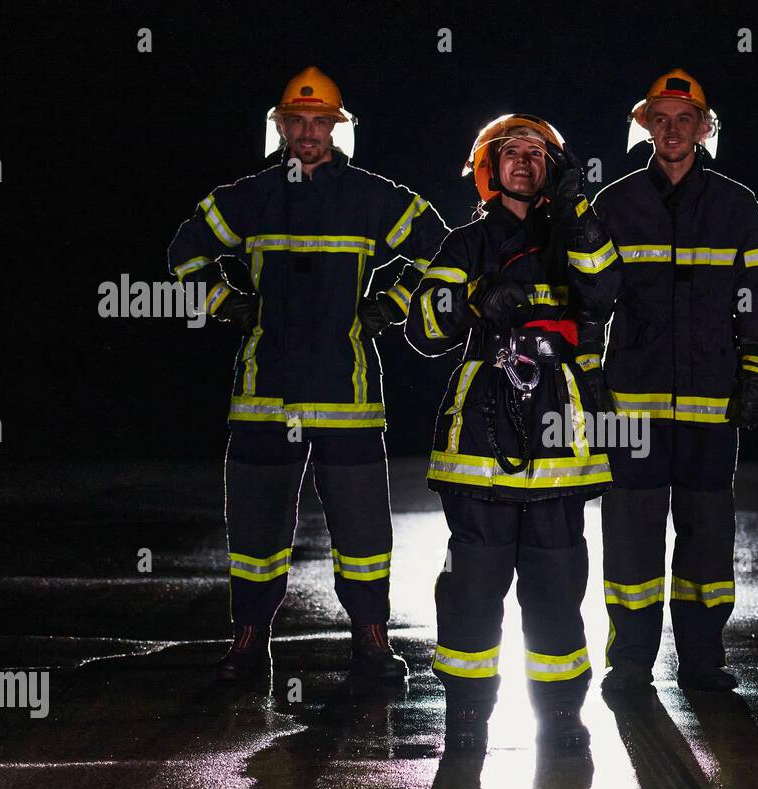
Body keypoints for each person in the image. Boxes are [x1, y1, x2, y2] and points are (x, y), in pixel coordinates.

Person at [167, 66, 449, 683]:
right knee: (255, 529)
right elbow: (185, 248)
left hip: (346, 399)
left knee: (365, 531)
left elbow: (441, 252)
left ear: (337, 129)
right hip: (263, 400)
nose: (308, 133)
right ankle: (248, 640)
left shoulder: (373, 196)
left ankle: (371, 640)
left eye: (319, 123)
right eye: (297, 122)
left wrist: (393, 305)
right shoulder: (253, 194)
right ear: (282, 126)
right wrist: (226, 303)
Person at [406, 114, 620, 750]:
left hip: (559, 425)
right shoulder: (465, 242)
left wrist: (577, 210)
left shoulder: (576, 235)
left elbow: (603, 289)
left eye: (537, 154)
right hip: (481, 430)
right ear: (489, 169)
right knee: (473, 583)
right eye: (511, 153)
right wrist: (476, 301)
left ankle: (560, 714)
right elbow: (426, 331)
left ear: (553, 169)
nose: (523, 162)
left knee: (556, 582)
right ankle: (467, 711)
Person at [594, 69, 758, 693]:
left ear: (704, 128)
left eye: (684, 118)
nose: (671, 130)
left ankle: (703, 660)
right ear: (645, 125)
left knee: (707, 537)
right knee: (630, 538)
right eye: (660, 118)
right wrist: (591, 383)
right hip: (632, 405)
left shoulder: (737, 205)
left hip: (710, 402)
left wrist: (755, 364)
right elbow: (589, 298)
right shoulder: (615, 204)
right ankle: (630, 663)